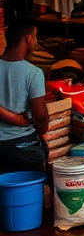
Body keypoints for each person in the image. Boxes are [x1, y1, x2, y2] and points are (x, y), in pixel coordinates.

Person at [0, 17, 49, 174]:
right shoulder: (33, 73)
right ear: (28, 39)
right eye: (35, 37)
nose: (35, 42)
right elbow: (40, 115)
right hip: (20, 145)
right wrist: (42, 127)